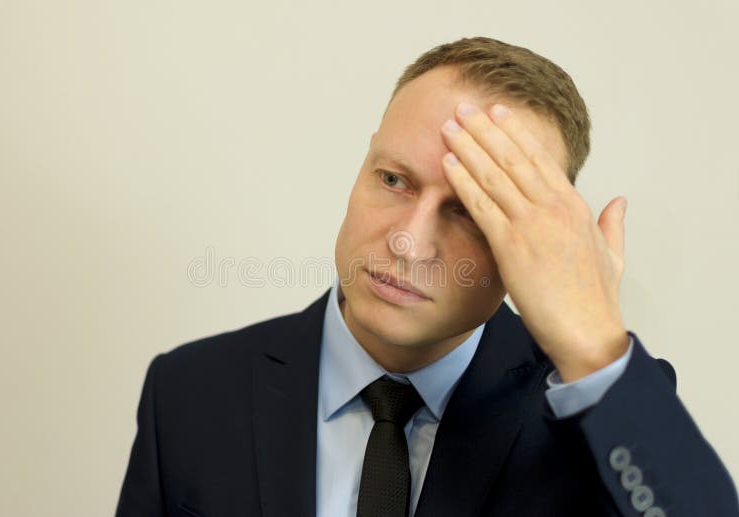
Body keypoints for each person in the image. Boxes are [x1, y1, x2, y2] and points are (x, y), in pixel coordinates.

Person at [116, 37, 738, 516]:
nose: (408, 243)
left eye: (469, 210)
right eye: (394, 180)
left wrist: (594, 344)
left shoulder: (597, 411)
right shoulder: (188, 392)